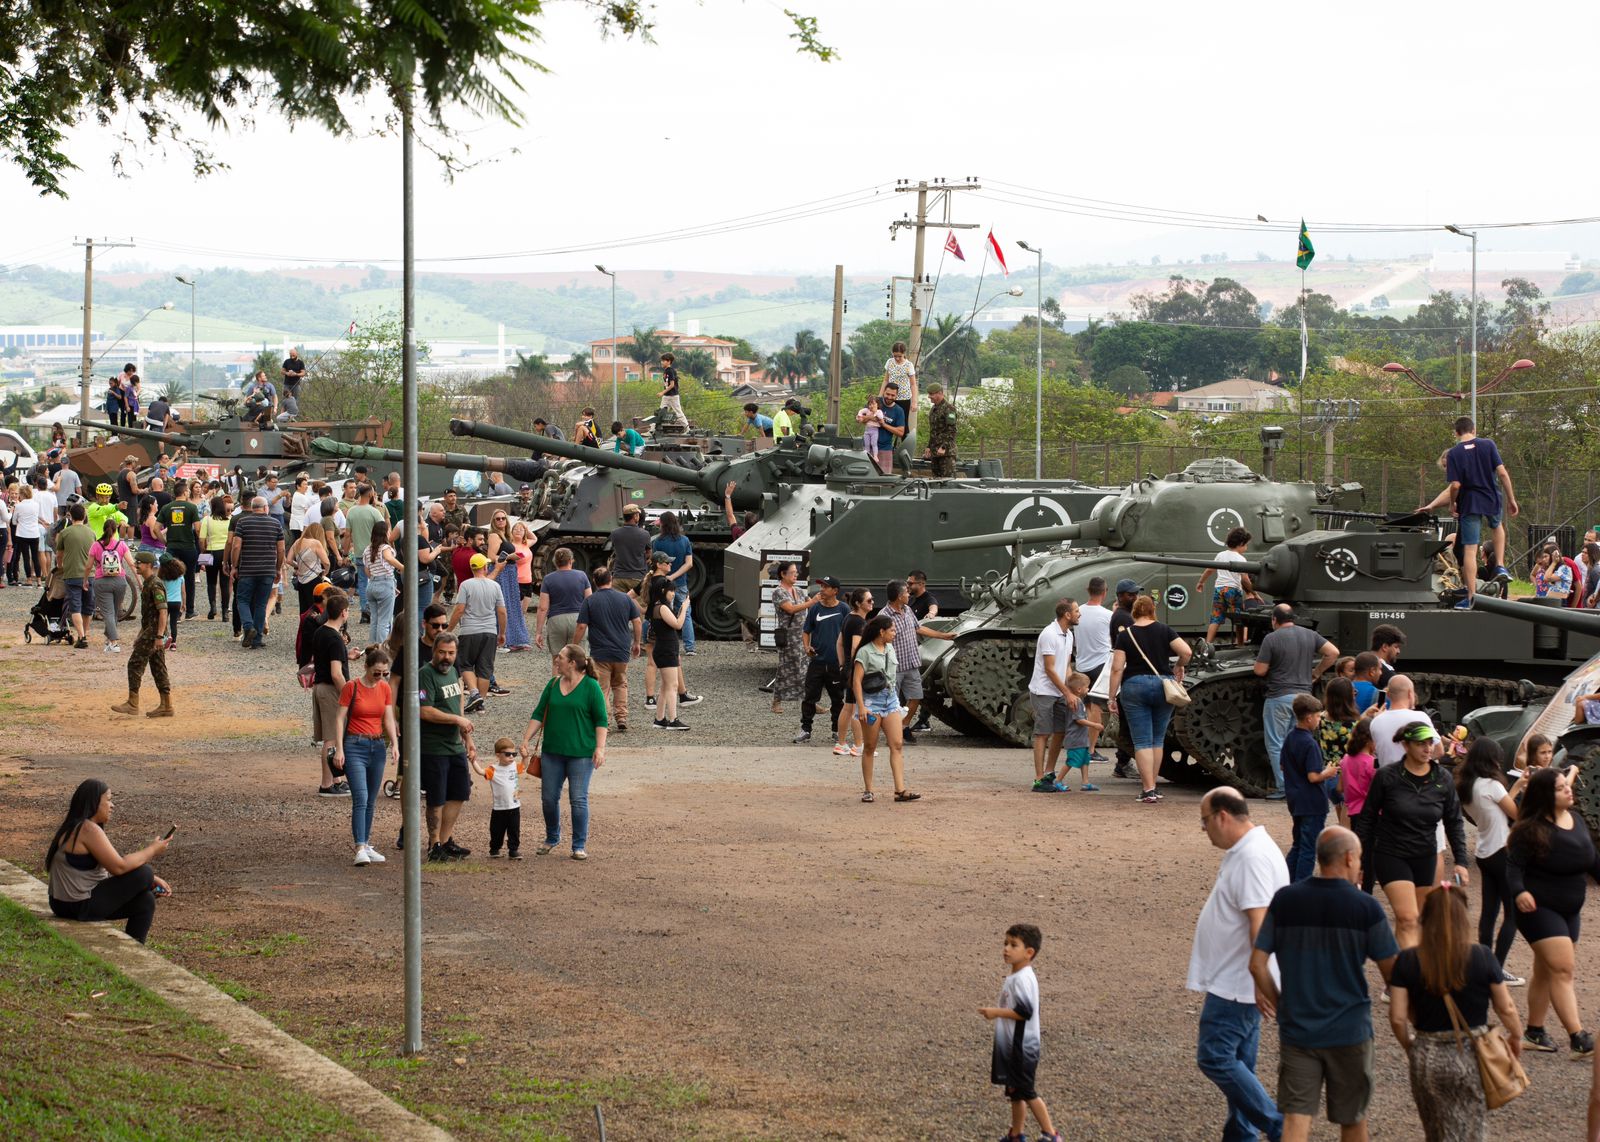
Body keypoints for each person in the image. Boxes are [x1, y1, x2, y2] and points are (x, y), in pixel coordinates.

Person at [1250, 827, 1398, 1142]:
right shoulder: (1365, 908)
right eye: (1359, 858)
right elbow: (1393, 973)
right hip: (1350, 1030)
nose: (1360, 866)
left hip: (1298, 1030)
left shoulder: (1286, 900)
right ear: (1348, 857)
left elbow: (1257, 965)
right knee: (1352, 1119)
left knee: (1295, 1119)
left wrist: (1280, 1003)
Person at [1188, 787, 1289, 1142]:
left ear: (1222, 816)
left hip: (1238, 981)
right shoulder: (1246, 850)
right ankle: (1241, 1135)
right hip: (1242, 977)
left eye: (1205, 822)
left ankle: (1278, 1126)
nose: (1204, 830)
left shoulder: (1252, 857)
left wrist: (1259, 979)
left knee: (1214, 1056)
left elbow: (1259, 922)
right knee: (1240, 1063)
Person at [1388, 886, 1524, 1142]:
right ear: (1464, 918)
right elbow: (1506, 1007)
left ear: (1424, 918)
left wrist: (1411, 1046)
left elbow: (1397, 1017)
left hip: (1428, 1054)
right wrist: (1515, 1036)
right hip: (1472, 1053)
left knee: (1436, 1130)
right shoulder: (1483, 956)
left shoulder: (1407, 960)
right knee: (1472, 1129)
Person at [1353, 722, 1470, 949]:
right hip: (1391, 853)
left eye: (1430, 743)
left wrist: (1461, 861)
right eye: (1420, 744)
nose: (1427, 749)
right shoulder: (1387, 776)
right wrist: (1358, 859)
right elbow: (1367, 818)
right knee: (1407, 917)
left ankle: (1402, 974)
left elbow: (1454, 821)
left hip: (1425, 855)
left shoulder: (1443, 778)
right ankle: (1408, 980)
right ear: (1405, 745)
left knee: (1415, 920)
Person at [1508, 767, 1600, 1056]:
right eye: (1561, 788)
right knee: (1562, 969)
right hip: (1538, 907)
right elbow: (1512, 868)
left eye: (1566, 785)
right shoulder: (1528, 829)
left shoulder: (1575, 819)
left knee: (1546, 971)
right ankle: (1578, 1036)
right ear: (1546, 795)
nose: (1569, 790)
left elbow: (1593, 860)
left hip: (1569, 909)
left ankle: (1534, 1032)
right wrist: (1519, 891)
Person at [46, 779, 170, 944]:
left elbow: (114, 863)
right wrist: (153, 850)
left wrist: (153, 880)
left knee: (146, 901)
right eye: (109, 800)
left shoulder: (77, 826)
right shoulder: (87, 829)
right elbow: (119, 867)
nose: (112, 805)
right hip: (77, 905)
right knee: (144, 873)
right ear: (94, 802)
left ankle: (135, 950)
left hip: (64, 904)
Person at [522, 643, 609, 859]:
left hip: (581, 754)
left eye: (560, 657)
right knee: (548, 799)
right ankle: (552, 836)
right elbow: (539, 714)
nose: (556, 660)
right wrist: (525, 739)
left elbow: (601, 720)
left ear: (572, 663)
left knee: (578, 799)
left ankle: (578, 845)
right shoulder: (552, 684)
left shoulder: (591, 687)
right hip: (552, 752)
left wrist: (599, 748)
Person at [980, 923, 1064, 1142]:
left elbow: (1024, 1012)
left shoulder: (1023, 979)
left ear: (1029, 953)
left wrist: (994, 1012)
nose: (1006, 949)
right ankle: (1016, 1134)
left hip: (1022, 1048)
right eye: (1005, 943)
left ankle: (1051, 1134)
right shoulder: (1018, 976)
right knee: (1015, 1093)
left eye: (1013, 945)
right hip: (1012, 1046)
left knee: (1027, 1092)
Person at [1107, 595, 1192, 804]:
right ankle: (1152, 786)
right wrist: (1179, 665)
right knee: (1157, 740)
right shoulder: (1165, 630)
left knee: (1142, 740)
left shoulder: (1126, 635)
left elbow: (1117, 668)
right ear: (1153, 610)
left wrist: (1111, 696)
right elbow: (1186, 651)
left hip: (1135, 686)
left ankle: (1148, 790)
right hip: (1163, 685)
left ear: (1134, 612)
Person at [1455, 737, 1525, 984]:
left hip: (1484, 851)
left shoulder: (1467, 786)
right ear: (1490, 759)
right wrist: (1521, 787)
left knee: (1489, 912)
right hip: (1502, 851)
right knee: (1513, 914)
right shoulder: (1492, 786)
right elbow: (1516, 814)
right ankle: (1497, 970)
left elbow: (1497, 810)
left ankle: (1484, 968)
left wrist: (1512, 789)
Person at [1254, 604, 1339, 800]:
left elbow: (1259, 671)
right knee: (1298, 743)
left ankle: (1284, 787)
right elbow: (1333, 652)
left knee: (1276, 744)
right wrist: (1316, 673)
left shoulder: (1272, 638)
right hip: (1304, 699)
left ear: (1274, 620)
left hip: (1279, 696)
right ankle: (1300, 783)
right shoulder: (1310, 635)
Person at [1442, 416, 1519, 608]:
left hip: (1469, 502)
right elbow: (1502, 473)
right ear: (1474, 430)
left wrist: (1453, 503)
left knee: (1470, 549)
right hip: (1491, 496)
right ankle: (1500, 564)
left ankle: (1472, 596)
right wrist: (1511, 499)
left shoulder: (1454, 453)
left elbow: (1455, 485)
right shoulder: (1488, 444)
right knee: (1497, 526)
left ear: (1456, 433)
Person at [334, 645, 397, 864]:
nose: (380, 677)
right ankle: (359, 845)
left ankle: (366, 842)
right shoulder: (352, 687)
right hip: (354, 744)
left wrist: (395, 744)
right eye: (376, 673)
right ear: (366, 667)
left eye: (384, 674)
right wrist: (340, 749)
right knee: (360, 797)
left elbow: (388, 718)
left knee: (371, 799)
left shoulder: (385, 688)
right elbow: (340, 717)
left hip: (377, 746)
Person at [416, 632, 477, 860]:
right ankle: (434, 845)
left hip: (455, 746)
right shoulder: (425, 675)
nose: (446, 657)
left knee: (459, 792)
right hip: (433, 748)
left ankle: (446, 839)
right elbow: (424, 710)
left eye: (451, 653)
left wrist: (467, 737)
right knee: (436, 798)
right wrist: (457, 720)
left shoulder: (453, 671)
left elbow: (458, 704)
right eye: (442, 652)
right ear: (434, 650)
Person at [851, 614, 918, 803]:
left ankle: (900, 790)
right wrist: (861, 707)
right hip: (871, 703)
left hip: (891, 701)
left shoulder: (890, 648)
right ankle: (868, 790)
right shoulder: (864, 652)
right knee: (870, 746)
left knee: (897, 744)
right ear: (882, 632)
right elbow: (856, 681)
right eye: (892, 630)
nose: (895, 633)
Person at [877, 578, 953, 743]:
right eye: (905, 591)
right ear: (898, 596)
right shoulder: (883, 616)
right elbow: (877, 641)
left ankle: (904, 726)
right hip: (893, 667)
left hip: (911, 664)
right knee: (890, 702)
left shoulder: (907, 610)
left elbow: (918, 628)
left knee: (916, 697)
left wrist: (943, 635)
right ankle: (892, 732)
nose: (908, 594)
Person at [574, 565, 642, 733]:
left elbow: (582, 626)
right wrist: (637, 643)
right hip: (621, 650)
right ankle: (622, 717)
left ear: (595, 582)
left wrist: (574, 646)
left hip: (600, 652)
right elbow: (637, 621)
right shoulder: (625, 599)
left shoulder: (590, 601)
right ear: (611, 580)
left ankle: (604, 719)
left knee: (602, 688)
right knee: (620, 684)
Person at [1280, 695, 1338, 883]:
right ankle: (1302, 884)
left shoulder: (1290, 738)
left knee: (1298, 844)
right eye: (1319, 717)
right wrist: (1328, 772)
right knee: (1308, 849)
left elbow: (1282, 766)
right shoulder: (1310, 743)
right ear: (1309, 718)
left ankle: (1286, 882)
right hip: (1313, 802)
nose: (1320, 720)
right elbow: (1313, 776)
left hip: (1296, 800)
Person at [111, 552, 173, 718]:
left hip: (153, 633)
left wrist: (159, 636)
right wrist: (142, 633)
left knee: (135, 664)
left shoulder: (154, 585)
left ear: (148, 565)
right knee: (158, 667)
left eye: (139, 562)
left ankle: (133, 703)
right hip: (151, 632)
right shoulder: (148, 583)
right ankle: (166, 705)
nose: (136, 565)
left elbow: (163, 612)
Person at [1028, 599, 1079, 793]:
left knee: (1060, 732)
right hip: (1044, 691)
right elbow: (1049, 669)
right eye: (1076, 611)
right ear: (1067, 615)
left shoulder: (1068, 635)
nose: (1078, 614)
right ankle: (1039, 778)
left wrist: (1072, 690)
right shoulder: (1049, 634)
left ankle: (1049, 773)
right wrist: (1067, 692)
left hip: (1059, 691)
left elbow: (1065, 666)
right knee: (1042, 733)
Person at [449, 552, 507, 715]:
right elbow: (501, 611)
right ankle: (480, 701)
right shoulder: (494, 586)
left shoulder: (466, 585)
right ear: (484, 566)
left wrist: (448, 629)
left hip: (469, 630)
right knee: (485, 667)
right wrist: (502, 632)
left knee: (465, 663)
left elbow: (460, 609)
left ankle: (474, 693)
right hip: (489, 631)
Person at [308, 593, 354, 798]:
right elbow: (336, 674)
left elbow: (329, 661)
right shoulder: (335, 638)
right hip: (330, 689)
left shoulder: (321, 632)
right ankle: (326, 784)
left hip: (320, 686)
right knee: (331, 739)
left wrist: (347, 656)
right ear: (343, 613)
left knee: (334, 737)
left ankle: (336, 779)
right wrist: (349, 693)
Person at [796, 575, 850, 745]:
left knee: (837, 698)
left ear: (835, 591)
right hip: (817, 662)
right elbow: (806, 631)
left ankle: (836, 730)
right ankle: (805, 729)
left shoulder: (844, 609)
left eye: (826, 587)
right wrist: (806, 647)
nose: (821, 589)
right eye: (821, 586)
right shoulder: (815, 609)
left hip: (836, 663)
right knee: (810, 697)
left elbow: (850, 634)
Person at [228, 495, 285, 650]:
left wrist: (234, 566)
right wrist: (278, 568)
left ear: (253, 507)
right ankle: (257, 639)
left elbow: (236, 546)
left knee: (243, 600)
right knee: (261, 603)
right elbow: (281, 549)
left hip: (247, 569)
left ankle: (247, 627)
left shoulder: (242, 522)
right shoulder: (275, 523)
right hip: (267, 570)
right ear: (266, 508)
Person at [833, 586, 875, 757]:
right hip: (856, 669)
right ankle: (858, 745)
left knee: (848, 707)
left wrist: (843, 665)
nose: (873, 603)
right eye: (869, 600)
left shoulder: (848, 618)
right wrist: (859, 669)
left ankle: (841, 743)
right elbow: (856, 648)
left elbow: (839, 643)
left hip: (848, 668)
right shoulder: (858, 622)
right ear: (858, 603)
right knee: (858, 708)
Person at [645, 573, 691, 730]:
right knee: (673, 685)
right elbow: (678, 624)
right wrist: (684, 608)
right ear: (664, 590)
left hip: (665, 649)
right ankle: (673, 720)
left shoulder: (658, 606)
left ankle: (659, 719)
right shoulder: (662, 607)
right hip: (666, 649)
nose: (673, 593)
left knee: (665, 685)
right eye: (671, 591)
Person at [1075, 577, 1113, 760]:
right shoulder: (1108, 615)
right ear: (1105, 592)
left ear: (1087, 590)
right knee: (1096, 709)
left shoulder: (1078, 612)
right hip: (1100, 665)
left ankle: (1082, 746)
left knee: (1086, 708)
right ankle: (1090, 750)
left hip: (1082, 665)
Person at [1198, 527, 1255, 646]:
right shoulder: (1241, 559)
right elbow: (1244, 579)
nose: (1246, 548)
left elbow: (1209, 570)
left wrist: (1201, 582)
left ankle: (1207, 645)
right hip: (1233, 591)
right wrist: (1254, 592)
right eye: (1246, 545)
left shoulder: (1220, 555)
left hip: (1219, 589)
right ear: (1240, 544)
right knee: (1239, 619)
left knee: (1216, 618)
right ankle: (1240, 644)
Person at [770, 560, 814, 716]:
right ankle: (777, 701)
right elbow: (790, 609)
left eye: (796, 572)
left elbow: (811, 604)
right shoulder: (778, 592)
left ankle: (810, 702)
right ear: (783, 574)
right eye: (793, 572)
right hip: (788, 636)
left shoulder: (800, 591)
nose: (796, 575)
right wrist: (812, 602)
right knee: (786, 668)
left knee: (805, 668)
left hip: (802, 635)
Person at [649, 511, 696, 656]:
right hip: (680, 582)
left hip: (663, 583)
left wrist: (668, 577)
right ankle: (690, 648)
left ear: (662, 524)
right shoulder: (685, 541)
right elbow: (689, 564)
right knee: (685, 613)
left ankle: (657, 642)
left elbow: (655, 562)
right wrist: (674, 576)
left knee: (661, 612)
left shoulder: (658, 542)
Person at [535, 546, 590, 666]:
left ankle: (558, 684)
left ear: (555, 562)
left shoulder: (548, 579)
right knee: (579, 658)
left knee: (557, 660)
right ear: (571, 561)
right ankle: (577, 683)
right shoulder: (582, 576)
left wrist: (538, 632)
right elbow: (589, 601)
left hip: (556, 620)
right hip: (578, 619)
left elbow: (543, 607)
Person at [1047, 673, 1102, 792]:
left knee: (1085, 759)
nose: (1088, 689)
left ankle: (1085, 782)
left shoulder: (1078, 700)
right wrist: (1094, 725)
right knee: (1072, 761)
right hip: (1075, 738)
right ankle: (1058, 780)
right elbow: (1078, 720)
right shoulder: (1076, 702)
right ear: (1079, 689)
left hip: (1082, 738)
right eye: (1087, 686)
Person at [88, 517, 135, 652]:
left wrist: (86, 579)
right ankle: (109, 641)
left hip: (101, 581)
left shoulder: (96, 545)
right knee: (114, 612)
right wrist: (139, 581)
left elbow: (88, 566)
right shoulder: (121, 545)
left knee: (108, 613)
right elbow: (131, 564)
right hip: (120, 581)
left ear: (103, 530)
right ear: (115, 531)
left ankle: (113, 642)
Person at [346, 484, 387, 625]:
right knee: (377, 579)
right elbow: (384, 530)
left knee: (362, 582)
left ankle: (365, 611)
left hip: (359, 553)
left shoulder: (351, 511)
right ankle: (376, 609)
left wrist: (345, 553)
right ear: (370, 494)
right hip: (375, 552)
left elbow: (347, 535)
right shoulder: (374, 512)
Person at [57, 502, 95, 649]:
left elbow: (59, 555)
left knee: (75, 607)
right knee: (88, 607)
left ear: (70, 516)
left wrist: (60, 567)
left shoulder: (65, 533)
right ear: (84, 516)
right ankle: (84, 634)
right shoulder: (91, 533)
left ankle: (81, 636)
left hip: (71, 574)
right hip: (89, 574)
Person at [362, 522, 403, 646]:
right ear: (385, 532)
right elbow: (389, 559)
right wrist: (404, 567)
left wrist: (376, 580)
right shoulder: (385, 548)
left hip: (372, 584)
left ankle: (372, 646)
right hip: (385, 583)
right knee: (384, 621)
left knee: (375, 619)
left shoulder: (368, 549)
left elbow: (367, 570)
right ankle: (381, 648)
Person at [287, 521, 333, 616]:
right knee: (316, 607)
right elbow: (326, 562)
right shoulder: (315, 543)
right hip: (314, 578)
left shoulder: (297, 542)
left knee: (304, 609)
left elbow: (288, 560)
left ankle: (304, 628)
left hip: (301, 580)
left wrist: (297, 566)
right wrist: (325, 572)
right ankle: (315, 628)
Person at [198, 494, 232, 620]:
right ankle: (225, 612)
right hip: (226, 553)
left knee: (211, 582)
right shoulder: (229, 520)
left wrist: (204, 551)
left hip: (211, 552)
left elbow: (201, 540)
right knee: (224, 583)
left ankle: (212, 607)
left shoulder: (207, 520)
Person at [1339, 719, 1378, 825]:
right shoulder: (1372, 763)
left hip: (1352, 811)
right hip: (1370, 812)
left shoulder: (1345, 759)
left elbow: (1340, 788)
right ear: (1369, 741)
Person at [607, 505, 651, 597]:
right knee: (638, 609)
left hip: (619, 577)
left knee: (618, 608)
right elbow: (648, 554)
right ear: (635, 516)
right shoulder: (645, 534)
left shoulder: (615, 533)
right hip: (637, 578)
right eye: (638, 514)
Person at [924, 382, 958, 477]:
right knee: (936, 482)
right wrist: (929, 446)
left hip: (946, 453)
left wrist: (943, 447)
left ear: (939, 393)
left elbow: (952, 431)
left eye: (931, 394)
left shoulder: (949, 409)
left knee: (947, 482)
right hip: (935, 453)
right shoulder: (933, 409)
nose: (929, 396)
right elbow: (933, 431)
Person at [875, 383, 906, 472]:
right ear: (884, 392)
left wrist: (884, 425)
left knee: (885, 478)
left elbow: (901, 432)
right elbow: (861, 419)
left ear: (896, 396)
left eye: (893, 395)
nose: (889, 397)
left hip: (885, 448)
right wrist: (873, 418)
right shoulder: (876, 402)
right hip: (869, 446)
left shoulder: (899, 411)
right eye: (887, 394)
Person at [657, 353, 683, 422]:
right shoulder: (666, 371)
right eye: (661, 361)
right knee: (660, 413)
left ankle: (687, 428)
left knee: (678, 413)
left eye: (663, 361)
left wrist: (662, 392)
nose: (661, 362)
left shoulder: (670, 371)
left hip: (673, 396)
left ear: (669, 361)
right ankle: (652, 430)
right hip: (666, 396)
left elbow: (672, 385)